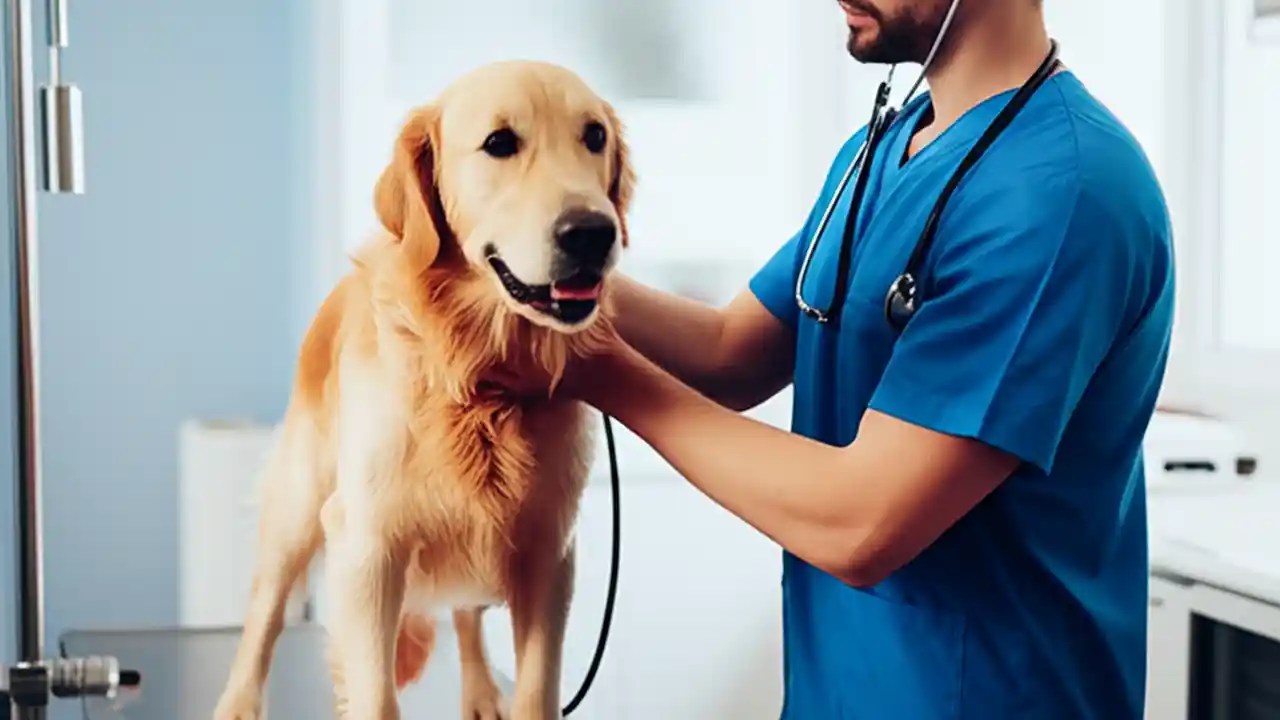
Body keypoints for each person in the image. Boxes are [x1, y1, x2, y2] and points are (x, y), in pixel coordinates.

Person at [500, 0, 1175, 717]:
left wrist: (594, 369)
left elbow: (861, 523)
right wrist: (542, 267)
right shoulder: (879, 151)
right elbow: (733, 353)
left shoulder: (1063, 191)